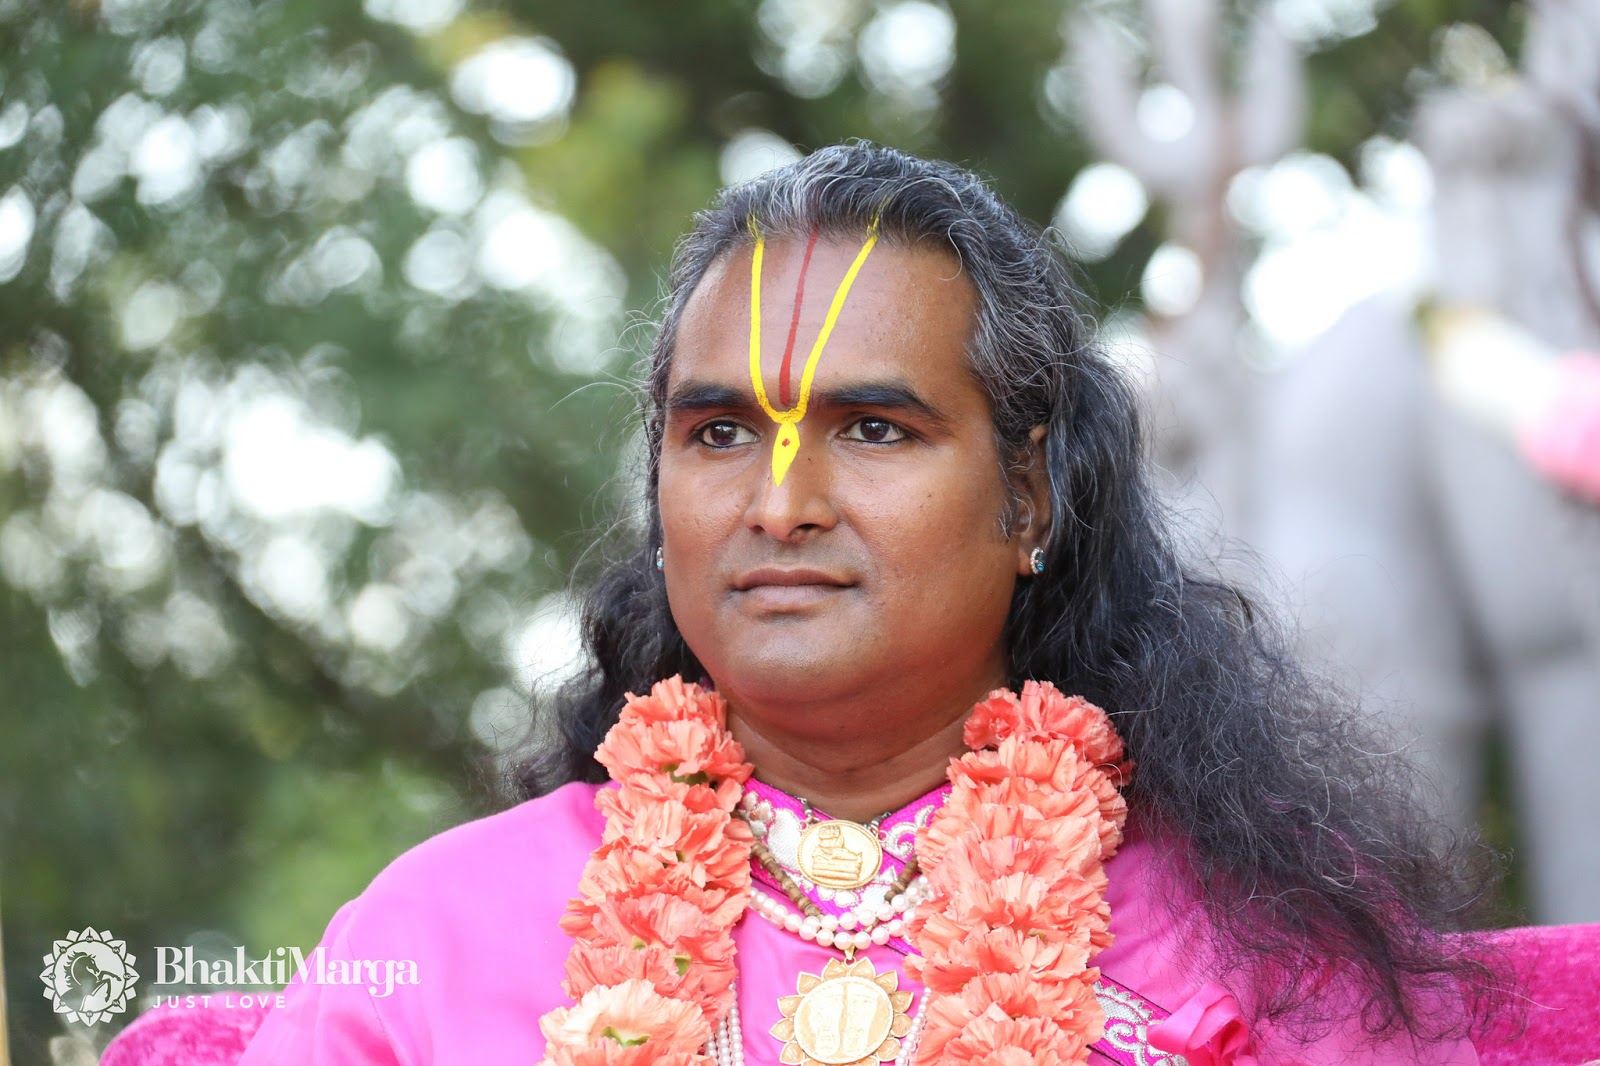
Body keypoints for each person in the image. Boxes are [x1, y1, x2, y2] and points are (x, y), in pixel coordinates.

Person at [234, 143, 1497, 1066]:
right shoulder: (437, 934)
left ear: (1031, 497)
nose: (778, 503)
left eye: (874, 427)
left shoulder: (1256, 946)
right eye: (720, 429)